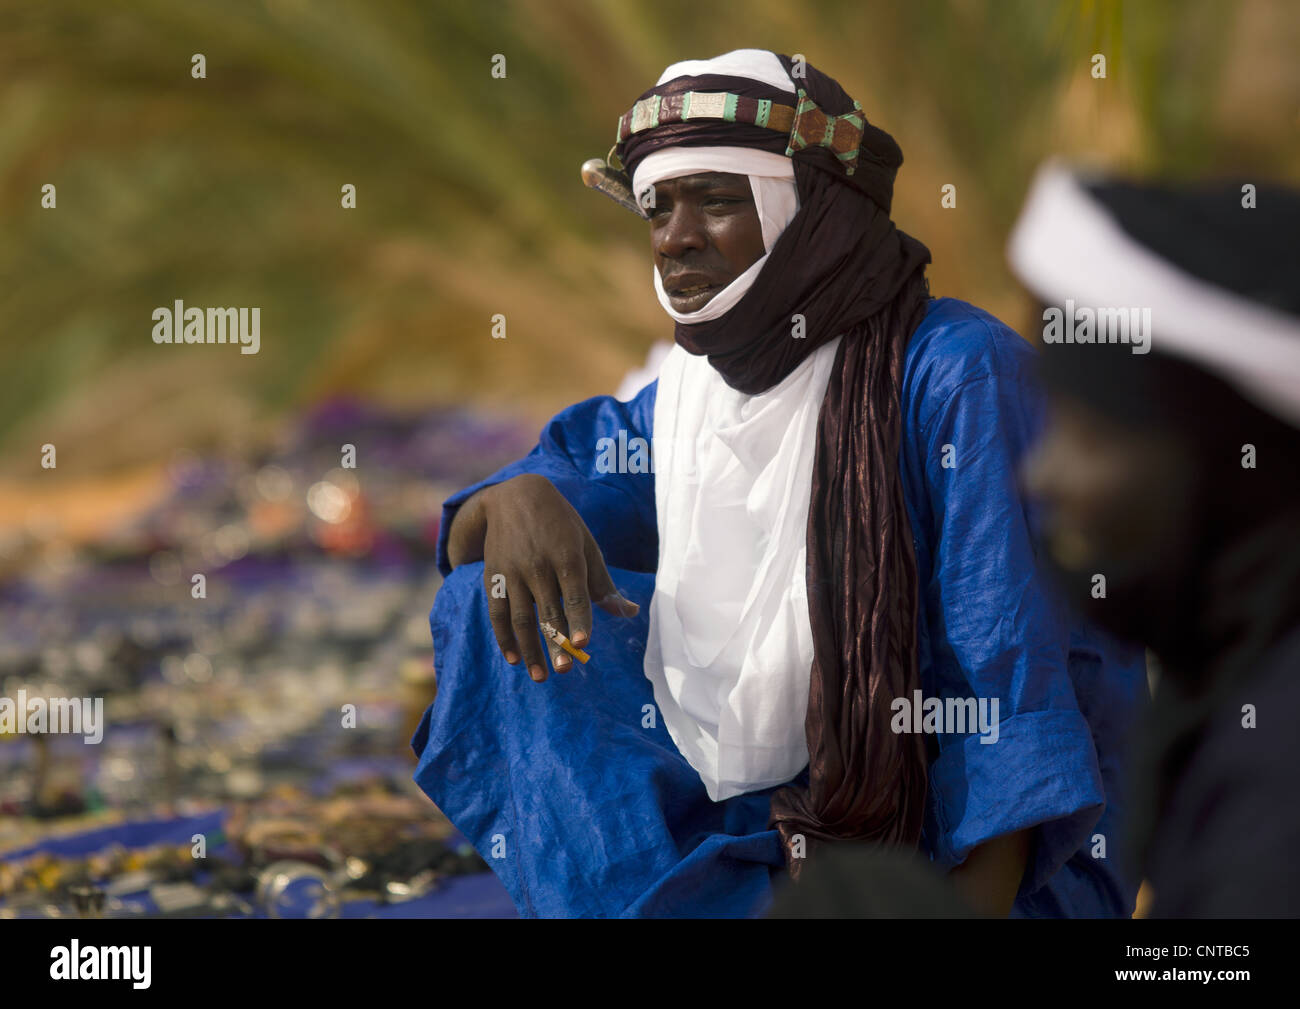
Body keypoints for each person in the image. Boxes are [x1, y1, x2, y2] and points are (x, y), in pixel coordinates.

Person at [411, 50, 1147, 918]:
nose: (675, 236)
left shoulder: (956, 373)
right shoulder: (691, 399)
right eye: (657, 207)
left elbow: (1012, 691)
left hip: (977, 864)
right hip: (779, 844)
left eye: (717, 200)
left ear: (812, 216)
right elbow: (558, 483)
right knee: (488, 601)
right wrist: (513, 499)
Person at [1009, 164, 1300, 917]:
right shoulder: (1235, 665)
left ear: (1232, 463)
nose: (1042, 475)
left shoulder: (1278, 780)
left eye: (1094, 435)